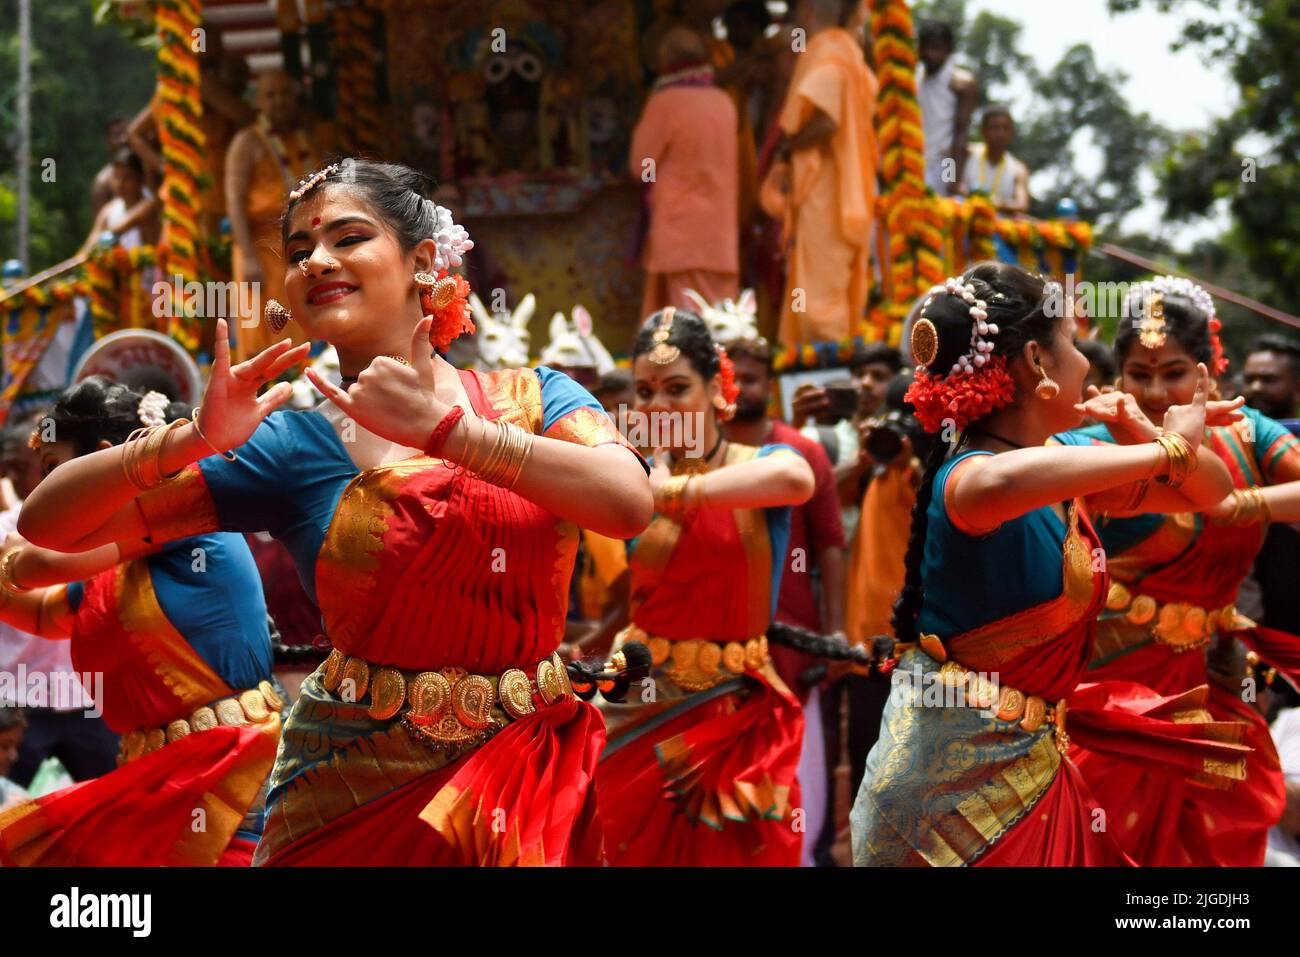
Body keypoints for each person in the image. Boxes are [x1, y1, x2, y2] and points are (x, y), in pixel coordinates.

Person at [17, 159, 652, 866]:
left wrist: (448, 432)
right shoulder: (290, 442)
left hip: (520, 785)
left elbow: (626, 501)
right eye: (298, 252)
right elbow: (49, 527)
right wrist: (195, 435)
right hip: (351, 793)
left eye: (347, 238)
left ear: (421, 261)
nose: (317, 260)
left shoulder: (535, 397)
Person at [852, 262, 1246, 866]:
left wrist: (1148, 434)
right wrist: (1162, 448)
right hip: (948, 813)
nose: (1088, 363)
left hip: (1030, 772)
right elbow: (1009, 480)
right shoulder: (972, 478)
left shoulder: (1061, 461)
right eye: (1070, 341)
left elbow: (1211, 494)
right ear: (1036, 359)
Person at [1057, 277, 1300, 866]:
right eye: (1140, 374)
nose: (1159, 391)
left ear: (1209, 372)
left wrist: (1241, 504)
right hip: (1109, 690)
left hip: (1211, 679)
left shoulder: (1248, 436)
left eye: (1175, 372)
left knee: (1208, 848)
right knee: (1105, 837)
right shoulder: (1085, 448)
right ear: (1117, 379)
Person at [0, 379, 280, 866]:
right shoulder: (110, 565)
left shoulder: (173, 503)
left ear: (105, 456)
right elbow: (44, 613)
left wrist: (9, 560)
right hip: (155, 777)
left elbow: (41, 568)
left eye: (51, 472)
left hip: (232, 770)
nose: (40, 495)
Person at [596, 307, 814, 865]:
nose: (658, 406)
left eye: (677, 388)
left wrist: (672, 494)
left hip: (735, 711)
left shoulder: (759, 464)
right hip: (643, 697)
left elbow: (798, 478)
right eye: (645, 391)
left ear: (717, 388)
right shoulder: (628, 475)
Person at [723, 335, 845, 864]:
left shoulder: (802, 449)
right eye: (735, 376)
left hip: (792, 640)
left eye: (753, 377)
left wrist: (835, 635)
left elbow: (832, 547)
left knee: (800, 765)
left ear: (768, 383)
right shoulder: (699, 447)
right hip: (717, 639)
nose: (743, 387)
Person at [0, 412, 118, 790]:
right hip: (17, 701)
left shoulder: (104, 528)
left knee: (112, 803)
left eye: (26, 465)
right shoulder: (3, 532)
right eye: (10, 467)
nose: (15, 476)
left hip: (87, 697)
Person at [772, 0, 878, 348]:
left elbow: (827, 119)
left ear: (813, 10)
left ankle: (822, 364)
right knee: (832, 282)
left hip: (827, 189)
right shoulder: (851, 53)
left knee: (819, 291)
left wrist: (789, 147)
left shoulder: (828, 51)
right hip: (850, 188)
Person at [629, 26, 740, 320]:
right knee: (724, 325)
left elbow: (641, 166)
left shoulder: (665, 102)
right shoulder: (724, 102)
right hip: (720, 238)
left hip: (679, 236)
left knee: (682, 334)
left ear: (666, 60)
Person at [225, 69, 329, 361]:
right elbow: (234, 201)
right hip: (260, 249)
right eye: (271, 95)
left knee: (306, 317)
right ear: (259, 101)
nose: (279, 101)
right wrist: (247, 256)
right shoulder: (247, 142)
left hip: (302, 244)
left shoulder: (306, 138)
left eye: (285, 94)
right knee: (266, 324)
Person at [1244, 334, 1300, 639]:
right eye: (1250, 378)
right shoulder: (1230, 443)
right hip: (1248, 619)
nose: (1255, 388)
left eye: (1269, 380)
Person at [917, 20, 978, 196]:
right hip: (914, 160)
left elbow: (960, 134)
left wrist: (952, 179)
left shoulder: (961, 83)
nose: (929, 54)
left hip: (944, 163)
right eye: (924, 47)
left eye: (936, 48)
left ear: (948, 49)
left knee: (940, 214)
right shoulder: (912, 76)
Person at [78, 150, 160, 256]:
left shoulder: (149, 205)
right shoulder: (108, 210)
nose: (120, 184)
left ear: (141, 179)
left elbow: (117, 230)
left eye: (127, 177)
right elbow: (90, 244)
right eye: (116, 176)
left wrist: (95, 248)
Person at [961, 104, 1029, 215]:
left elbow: (1022, 205)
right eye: (995, 128)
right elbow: (947, 163)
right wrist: (952, 183)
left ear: (1011, 132)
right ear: (983, 130)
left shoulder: (1018, 169)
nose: (1000, 133)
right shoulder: (967, 153)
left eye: (1005, 128)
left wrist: (991, 203)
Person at [89, 116, 131, 215]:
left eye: (126, 134)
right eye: (117, 136)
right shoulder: (103, 182)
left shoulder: (148, 169)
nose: (123, 140)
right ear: (108, 142)